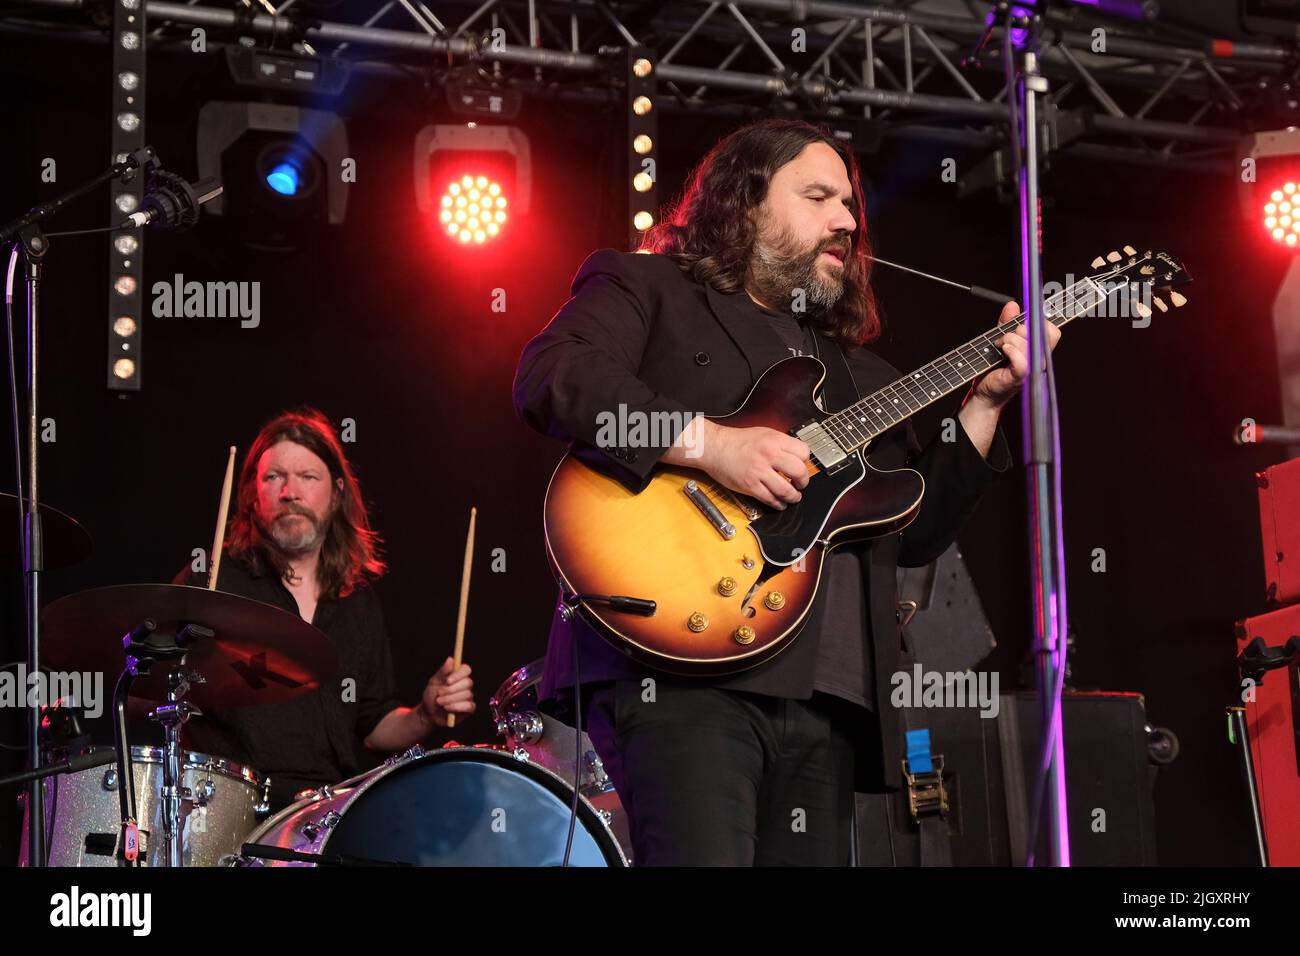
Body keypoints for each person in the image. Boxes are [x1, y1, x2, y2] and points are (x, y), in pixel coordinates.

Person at [512, 118, 1060, 865]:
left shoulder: (866, 377)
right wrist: (714, 446)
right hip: (681, 668)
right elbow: (554, 376)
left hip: (830, 696)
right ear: (744, 203)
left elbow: (916, 531)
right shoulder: (650, 287)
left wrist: (987, 403)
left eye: (850, 206)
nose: (845, 220)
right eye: (818, 196)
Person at [174, 407, 475, 810]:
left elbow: (374, 728)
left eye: (307, 477)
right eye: (273, 477)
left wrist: (425, 713)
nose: (290, 492)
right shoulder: (212, 580)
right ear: (251, 494)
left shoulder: (357, 600)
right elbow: (146, 684)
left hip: (327, 812)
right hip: (228, 805)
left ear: (335, 495)